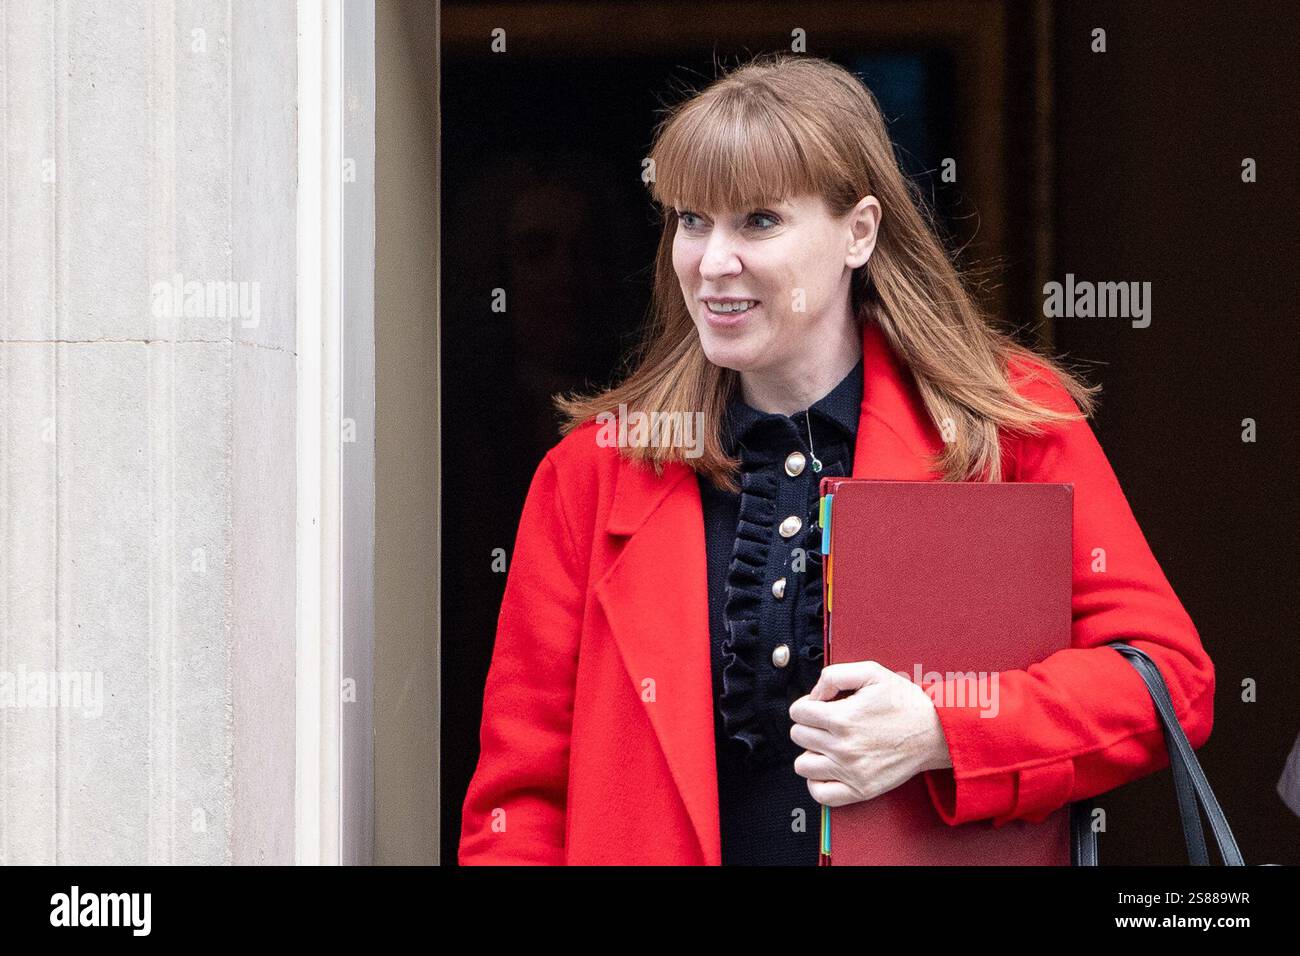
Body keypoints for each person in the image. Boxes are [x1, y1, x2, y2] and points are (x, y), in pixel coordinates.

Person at [457, 53, 1215, 865]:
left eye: (758, 221)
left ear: (859, 231)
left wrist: (943, 731)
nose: (712, 262)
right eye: (690, 220)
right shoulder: (594, 472)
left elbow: (1167, 681)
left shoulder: (1005, 422)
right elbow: (521, 803)